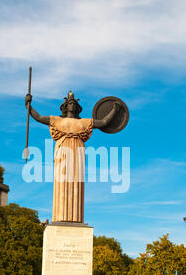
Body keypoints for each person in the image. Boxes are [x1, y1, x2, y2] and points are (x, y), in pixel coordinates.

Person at [25, 91, 119, 223]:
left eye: (75, 104)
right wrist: (28, 105)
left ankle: (75, 219)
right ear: (65, 106)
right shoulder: (57, 120)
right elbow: (39, 117)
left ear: (78, 107)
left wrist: (114, 109)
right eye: (70, 103)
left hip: (77, 152)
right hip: (62, 151)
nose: (73, 106)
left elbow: (104, 122)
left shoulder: (85, 122)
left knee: (76, 180)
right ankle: (60, 217)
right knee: (61, 180)